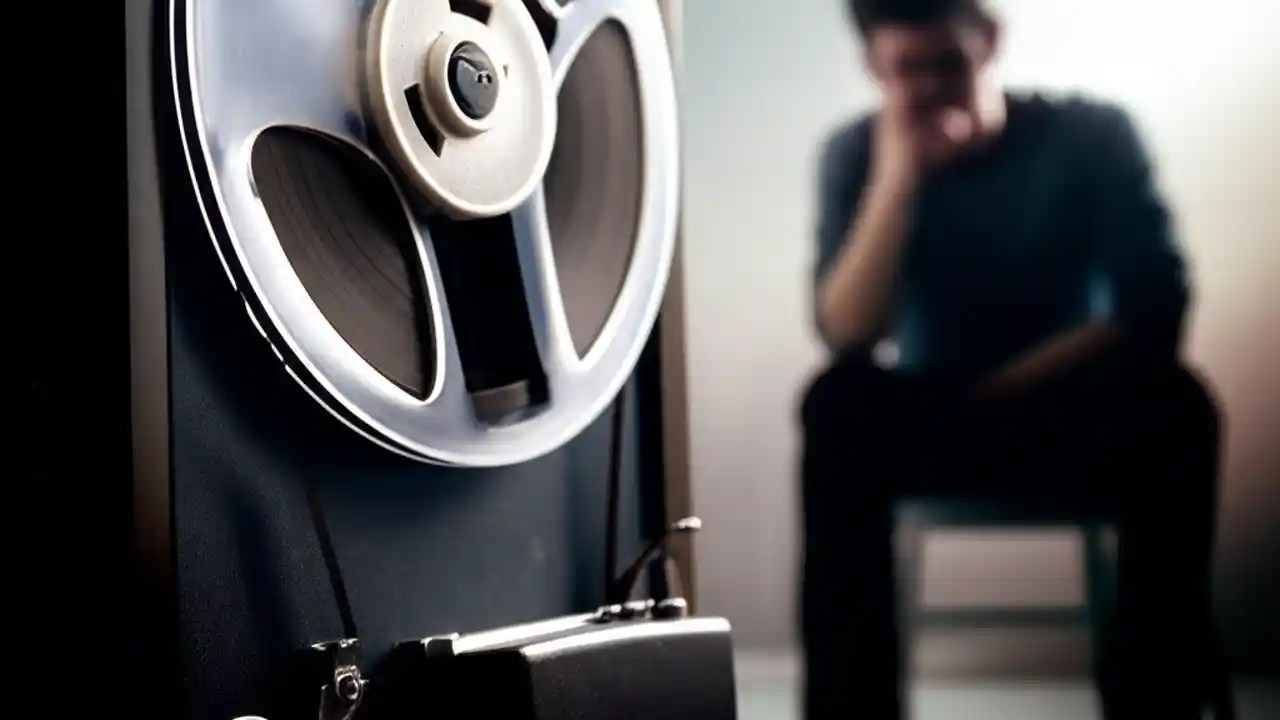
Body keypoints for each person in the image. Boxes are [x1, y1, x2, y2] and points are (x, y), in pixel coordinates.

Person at [801, 1, 1223, 718]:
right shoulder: (854, 152)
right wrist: (898, 179)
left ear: (991, 41)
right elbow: (848, 332)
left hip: (1072, 413)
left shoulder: (1093, 133)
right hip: (935, 425)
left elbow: (1155, 307)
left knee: (1178, 403)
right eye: (910, 69)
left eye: (950, 63)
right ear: (875, 66)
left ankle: (1156, 702)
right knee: (836, 402)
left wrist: (991, 391)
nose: (933, 85)